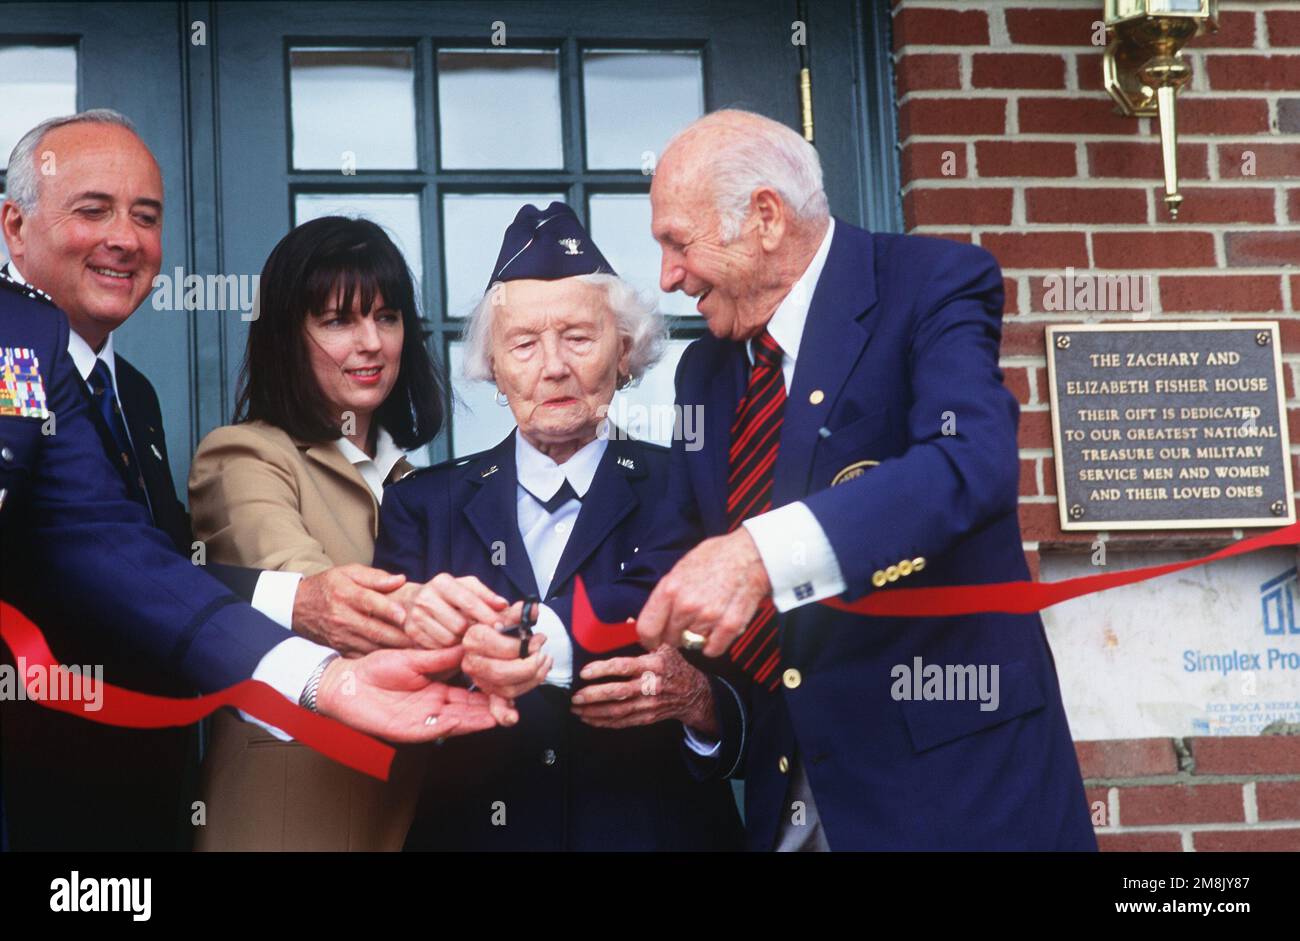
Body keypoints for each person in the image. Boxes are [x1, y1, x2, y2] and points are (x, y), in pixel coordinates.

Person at [551, 110, 1096, 851]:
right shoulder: (704, 371)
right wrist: (541, 633)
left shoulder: (931, 284)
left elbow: (969, 467)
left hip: (959, 801)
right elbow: (672, 558)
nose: (668, 277)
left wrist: (756, 554)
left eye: (678, 243)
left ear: (766, 218)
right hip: (791, 804)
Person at [0, 110, 456, 850]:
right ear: (14, 226)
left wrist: (304, 627)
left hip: (136, 803)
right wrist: (317, 644)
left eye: (145, 216)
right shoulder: (16, 342)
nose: (125, 237)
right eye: (93, 209)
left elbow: (135, 562)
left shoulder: (132, 395)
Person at [373, 202, 745, 851]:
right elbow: (389, 692)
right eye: (523, 343)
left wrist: (697, 701)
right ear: (494, 365)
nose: (553, 366)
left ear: (625, 352)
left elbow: (759, 696)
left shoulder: (692, 486)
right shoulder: (421, 505)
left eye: (578, 337)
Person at [186, 215, 512, 850]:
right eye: (339, 320)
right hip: (288, 820)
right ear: (287, 336)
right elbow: (318, 599)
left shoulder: (415, 480)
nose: (371, 343)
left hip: (412, 817)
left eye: (386, 317)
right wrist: (511, 622)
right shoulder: (244, 456)